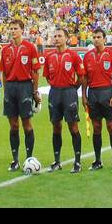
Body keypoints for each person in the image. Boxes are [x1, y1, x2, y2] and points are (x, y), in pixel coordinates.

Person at [42, 27, 84, 173]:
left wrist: (73, 88)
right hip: (55, 93)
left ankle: (77, 162)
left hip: (69, 93)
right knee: (56, 126)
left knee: (73, 127)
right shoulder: (49, 56)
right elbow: (47, 76)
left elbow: (81, 76)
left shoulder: (73, 56)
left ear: (66, 38)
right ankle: (57, 161)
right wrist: (55, 86)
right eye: (55, 36)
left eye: (59, 36)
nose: (56, 38)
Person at [0, 19, 40, 172]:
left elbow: (36, 71)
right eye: (11, 28)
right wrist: (5, 91)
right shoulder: (5, 50)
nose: (13, 31)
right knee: (13, 125)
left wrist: (35, 91)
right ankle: (15, 159)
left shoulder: (30, 48)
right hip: (10, 88)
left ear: (22, 30)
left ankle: (29, 157)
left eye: (15, 28)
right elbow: (4, 73)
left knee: (27, 124)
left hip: (25, 86)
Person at [82, 26, 112, 171]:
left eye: (99, 37)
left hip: (107, 92)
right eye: (94, 37)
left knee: (111, 127)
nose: (96, 39)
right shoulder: (87, 56)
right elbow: (84, 77)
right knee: (97, 127)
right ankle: (98, 160)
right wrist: (84, 96)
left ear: (104, 39)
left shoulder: (111, 55)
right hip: (93, 94)